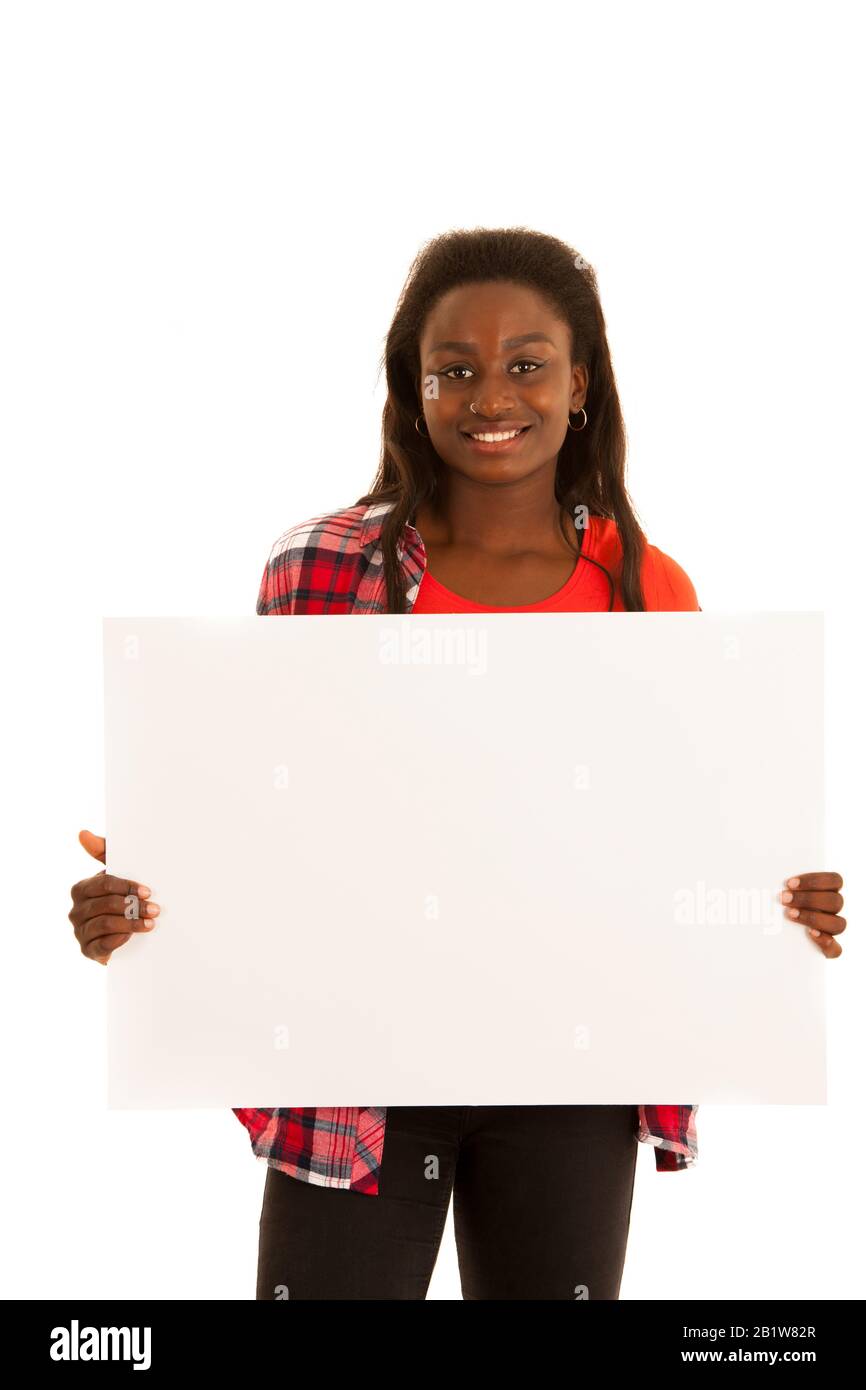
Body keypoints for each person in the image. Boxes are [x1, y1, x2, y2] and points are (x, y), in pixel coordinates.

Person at [68, 227, 847, 1300]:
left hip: (573, 1070)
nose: (491, 394)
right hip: (356, 1071)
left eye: (525, 363)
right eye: (455, 369)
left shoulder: (642, 589)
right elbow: (263, 804)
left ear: (579, 383)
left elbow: (678, 836)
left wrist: (775, 905)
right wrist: (158, 893)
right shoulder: (320, 570)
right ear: (414, 387)